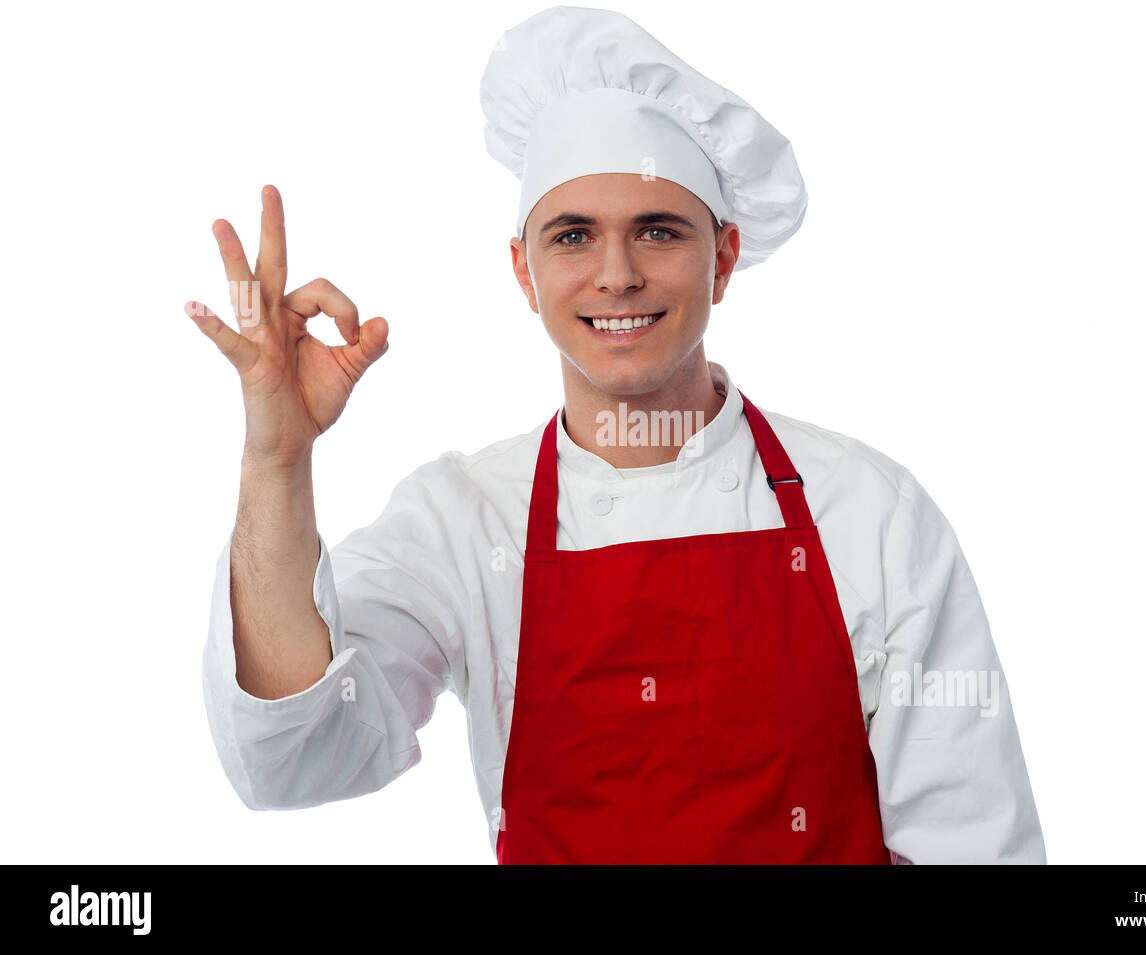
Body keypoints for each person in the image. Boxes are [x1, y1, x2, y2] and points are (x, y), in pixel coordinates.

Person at [187, 5, 1046, 864]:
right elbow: (287, 754)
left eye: (658, 230)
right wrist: (278, 458)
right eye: (574, 236)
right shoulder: (465, 523)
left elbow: (975, 849)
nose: (618, 274)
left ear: (724, 256)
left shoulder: (871, 515)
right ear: (524, 269)